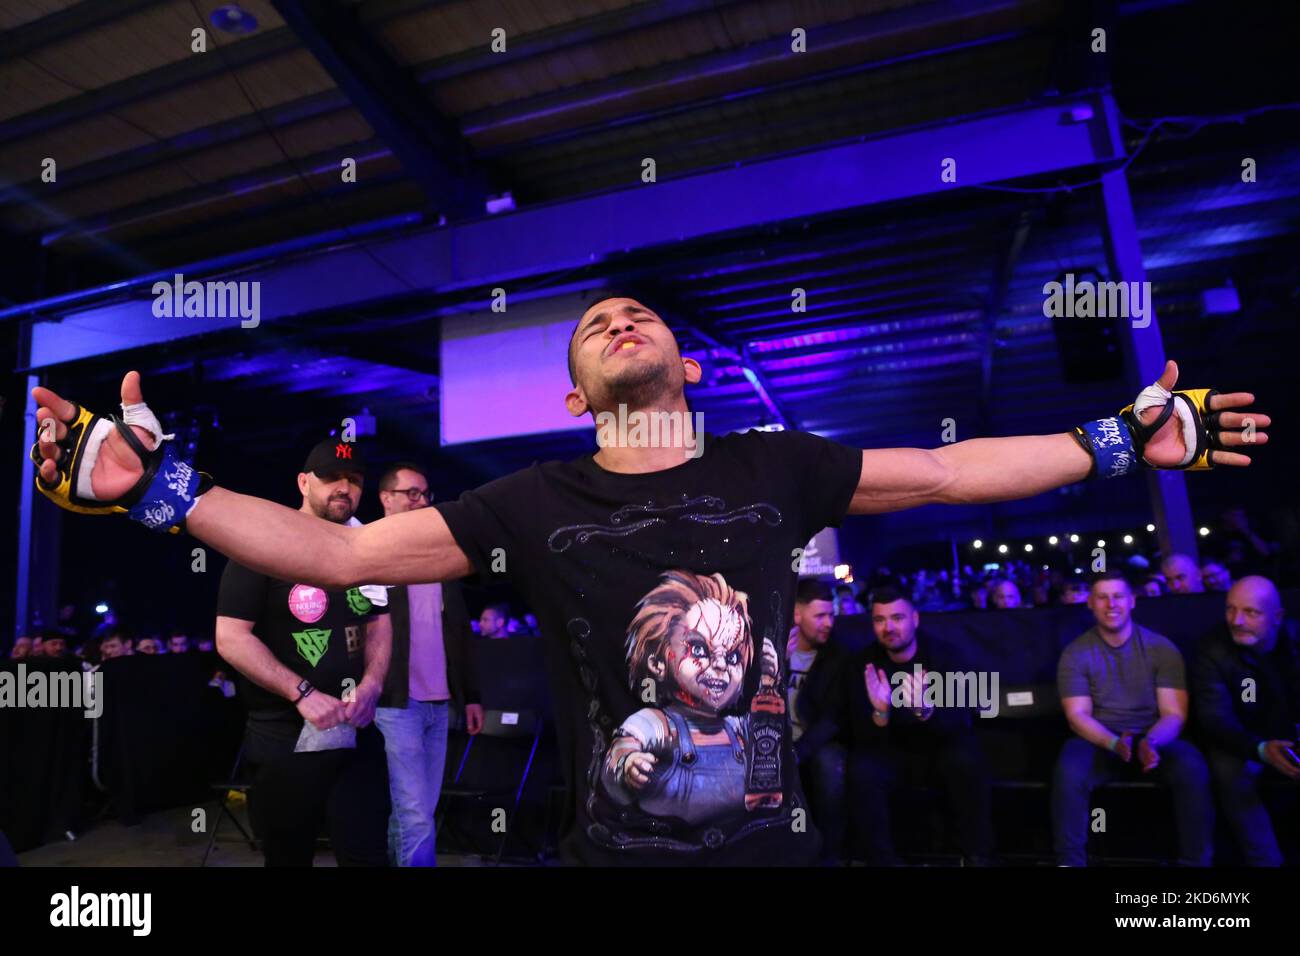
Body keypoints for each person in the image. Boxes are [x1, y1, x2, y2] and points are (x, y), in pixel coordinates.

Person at [29, 296, 1269, 865]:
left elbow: (951, 474)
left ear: (684, 359)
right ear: (573, 393)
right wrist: (158, 489)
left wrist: (1110, 438)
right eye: (593, 323)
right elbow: (342, 553)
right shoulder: (531, 497)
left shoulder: (779, 465)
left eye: (639, 314)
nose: (620, 319)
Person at [212, 439, 393, 867]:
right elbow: (231, 638)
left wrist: (372, 683)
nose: (344, 488)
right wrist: (303, 693)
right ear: (303, 482)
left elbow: (379, 624)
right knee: (288, 859)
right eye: (331, 478)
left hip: (356, 734)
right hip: (283, 739)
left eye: (354, 480)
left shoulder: (367, 546)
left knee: (368, 854)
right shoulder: (260, 544)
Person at [1051, 571, 1213, 866]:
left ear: (1132, 601)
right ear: (1090, 603)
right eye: (1102, 597)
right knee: (1069, 768)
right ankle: (1070, 862)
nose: (1111, 604)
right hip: (1100, 739)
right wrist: (1114, 743)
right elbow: (1077, 716)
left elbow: (1174, 715)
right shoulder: (1075, 654)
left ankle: (1195, 862)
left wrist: (1149, 742)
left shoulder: (1162, 649)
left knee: (1192, 766)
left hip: (1155, 737)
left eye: (1118, 596)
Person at [373, 461, 484, 867]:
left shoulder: (442, 558)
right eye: (412, 494)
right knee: (415, 813)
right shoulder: (369, 551)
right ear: (386, 499)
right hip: (395, 702)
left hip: (440, 702)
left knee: (415, 811)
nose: (422, 502)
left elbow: (459, 633)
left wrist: (470, 696)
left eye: (425, 494)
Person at [844, 586, 993, 865]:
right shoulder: (863, 665)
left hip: (941, 747)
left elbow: (961, 721)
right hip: (892, 750)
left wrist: (925, 711)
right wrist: (881, 712)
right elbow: (862, 735)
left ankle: (976, 855)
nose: (889, 627)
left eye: (898, 618)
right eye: (880, 620)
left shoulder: (946, 657)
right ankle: (882, 861)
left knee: (966, 759)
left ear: (915, 619)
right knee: (862, 769)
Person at [1190, 576, 1300, 866]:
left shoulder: (1294, 640)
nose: (1236, 620)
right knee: (1229, 770)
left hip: (1287, 732)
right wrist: (1261, 749)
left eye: (1251, 612)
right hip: (1237, 740)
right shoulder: (1212, 650)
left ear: (1277, 617)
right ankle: (1266, 861)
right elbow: (1215, 720)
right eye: (1230, 609)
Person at [787, 578, 850, 865]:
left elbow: (832, 718)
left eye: (831, 615)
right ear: (797, 615)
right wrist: (778, 665)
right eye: (820, 615)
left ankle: (831, 854)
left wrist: (799, 752)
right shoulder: (771, 648)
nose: (828, 623)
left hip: (814, 742)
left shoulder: (837, 657)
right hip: (773, 739)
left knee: (829, 763)